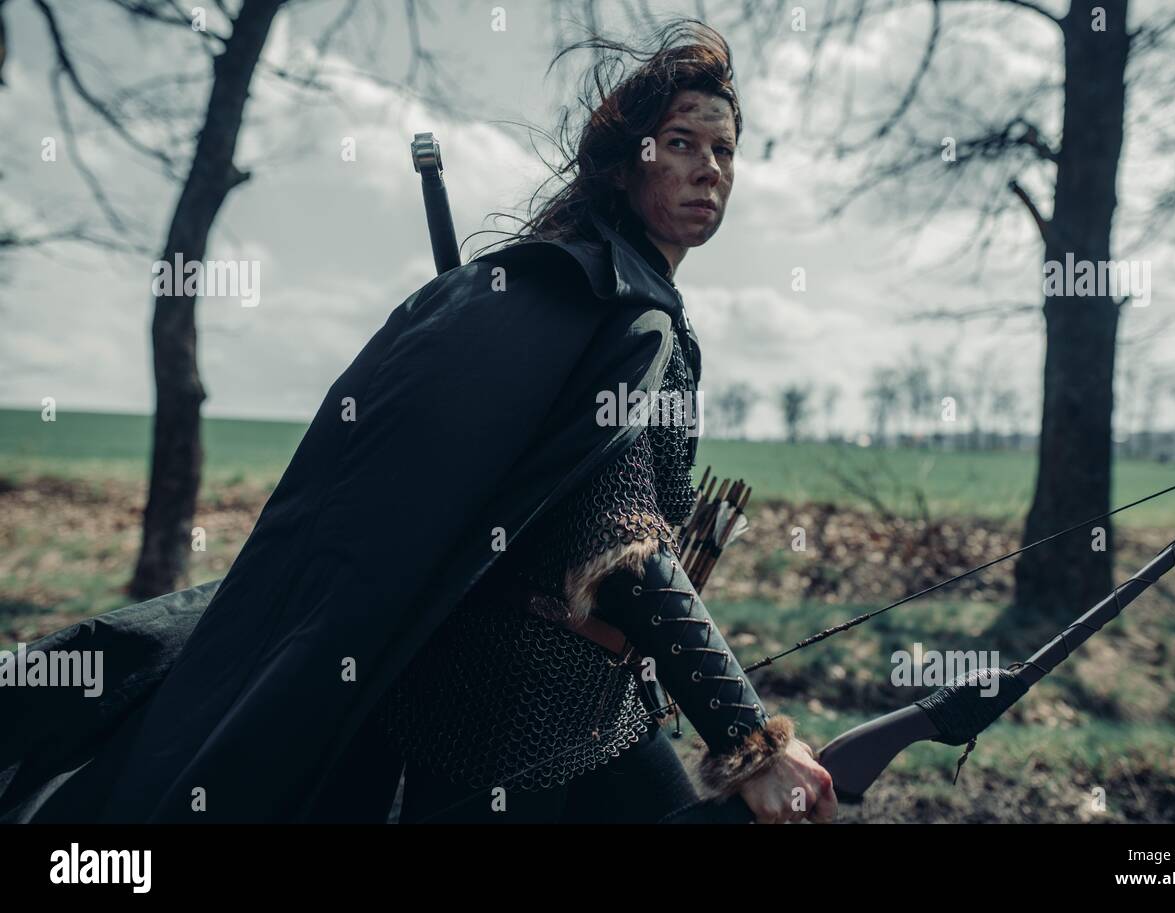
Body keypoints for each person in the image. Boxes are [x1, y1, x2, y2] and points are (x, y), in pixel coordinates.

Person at [0, 20, 834, 825]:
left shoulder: (622, 305)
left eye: (723, 151)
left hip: (597, 701)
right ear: (624, 167)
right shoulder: (617, 315)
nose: (709, 170)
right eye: (681, 144)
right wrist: (750, 739)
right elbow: (618, 544)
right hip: (502, 713)